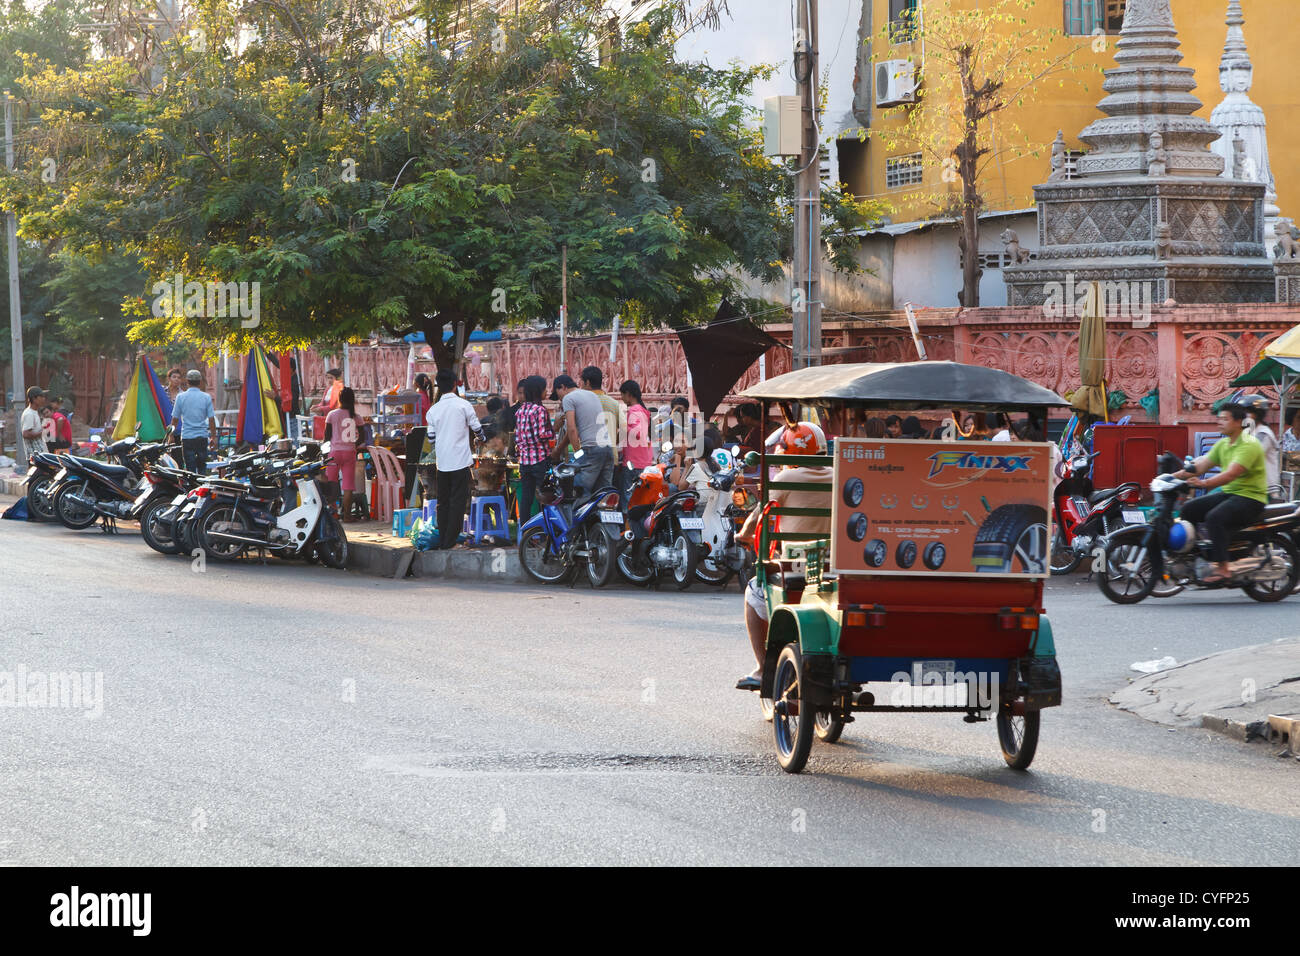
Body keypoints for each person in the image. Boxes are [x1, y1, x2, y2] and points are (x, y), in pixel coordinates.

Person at [733, 422, 832, 691]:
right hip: (834, 567)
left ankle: (764, 668)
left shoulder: (787, 479)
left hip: (796, 568)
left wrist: (743, 533)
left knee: (753, 591)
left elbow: (760, 515)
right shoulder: (840, 475)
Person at [1174, 404, 1269, 584]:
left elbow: (1231, 474)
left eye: (1225, 419)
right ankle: (1196, 557)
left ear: (1239, 422)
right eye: (1219, 418)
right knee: (1189, 509)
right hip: (1230, 493)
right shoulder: (1223, 444)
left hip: (1251, 497)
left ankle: (1223, 568)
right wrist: (1169, 478)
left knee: (1214, 518)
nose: (1219, 423)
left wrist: (1204, 483)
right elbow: (1200, 466)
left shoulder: (1249, 444)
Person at [426, 369, 484, 549]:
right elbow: (478, 429)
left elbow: (431, 439)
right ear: (454, 385)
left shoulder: (433, 410)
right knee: (458, 501)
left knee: (443, 502)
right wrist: (480, 438)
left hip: (442, 463)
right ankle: (450, 542)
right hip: (460, 461)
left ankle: (444, 539)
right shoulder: (463, 405)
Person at [551, 373, 613, 497]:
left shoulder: (568, 398)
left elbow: (572, 429)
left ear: (562, 387)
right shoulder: (592, 395)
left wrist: (578, 454)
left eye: (558, 395)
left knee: (578, 492)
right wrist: (559, 450)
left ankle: (575, 517)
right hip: (607, 448)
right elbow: (570, 433)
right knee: (603, 495)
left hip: (591, 449)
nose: (560, 400)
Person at [514, 376, 554, 522]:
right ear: (538, 391)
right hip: (540, 460)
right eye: (544, 389)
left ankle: (526, 533)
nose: (546, 391)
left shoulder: (520, 411)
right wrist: (553, 431)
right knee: (545, 497)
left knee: (526, 498)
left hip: (525, 462)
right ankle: (545, 531)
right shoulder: (540, 410)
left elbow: (518, 438)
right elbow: (543, 435)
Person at [324, 387, 366, 522]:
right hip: (349, 453)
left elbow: (326, 437)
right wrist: (353, 445)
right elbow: (362, 437)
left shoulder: (332, 414)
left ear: (339, 399)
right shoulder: (357, 417)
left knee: (331, 482)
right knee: (348, 486)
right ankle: (347, 516)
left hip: (333, 453)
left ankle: (333, 514)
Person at [170, 370, 217, 474]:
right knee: (202, 469)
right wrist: (213, 437)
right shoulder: (206, 397)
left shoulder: (180, 397)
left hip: (187, 437)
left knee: (190, 470)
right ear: (200, 382)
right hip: (202, 437)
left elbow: (175, 419)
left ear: (187, 381)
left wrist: (171, 435)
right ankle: (202, 488)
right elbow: (211, 419)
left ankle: (192, 489)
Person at [1240, 395, 1282, 501]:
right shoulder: (1249, 432)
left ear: (1258, 414)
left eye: (1248, 412)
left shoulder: (1263, 433)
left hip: (1264, 490)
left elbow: (1250, 455)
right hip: (1246, 487)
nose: (1244, 416)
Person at [618, 380, 654, 503]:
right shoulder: (643, 411)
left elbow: (637, 433)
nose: (621, 398)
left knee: (628, 498)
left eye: (622, 395)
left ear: (628, 394)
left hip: (632, 462)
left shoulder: (634, 411)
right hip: (644, 461)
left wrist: (622, 426)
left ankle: (628, 522)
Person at [583, 366, 625, 457]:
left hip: (590, 458)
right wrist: (613, 441)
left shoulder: (582, 403)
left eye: (582, 383)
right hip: (610, 455)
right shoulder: (613, 403)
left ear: (587, 382)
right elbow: (624, 428)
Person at [20, 387, 48, 462]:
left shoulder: (34, 412)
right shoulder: (29, 414)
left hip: (39, 455)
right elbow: (25, 434)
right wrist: (42, 432)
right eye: (41, 396)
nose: (43, 399)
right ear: (34, 399)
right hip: (35, 457)